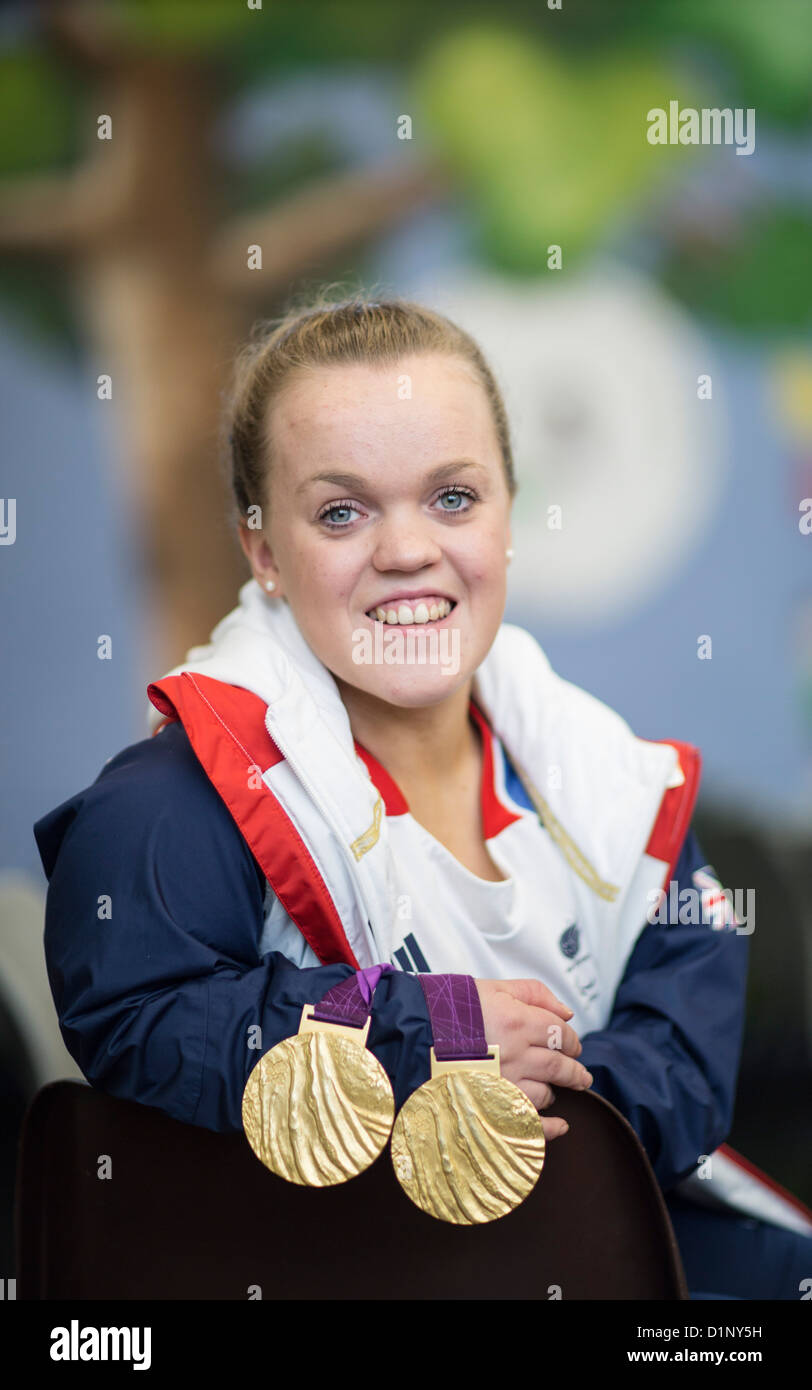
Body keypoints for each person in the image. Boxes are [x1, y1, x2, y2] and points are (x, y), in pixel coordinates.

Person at [34, 293, 812, 1299]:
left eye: (451, 497)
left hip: (601, 1252)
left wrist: (521, 1097)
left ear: (507, 514)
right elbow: (138, 1017)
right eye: (341, 511)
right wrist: (433, 1026)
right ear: (263, 550)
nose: (406, 550)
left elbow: (683, 1064)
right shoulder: (174, 798)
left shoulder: (615, 784)